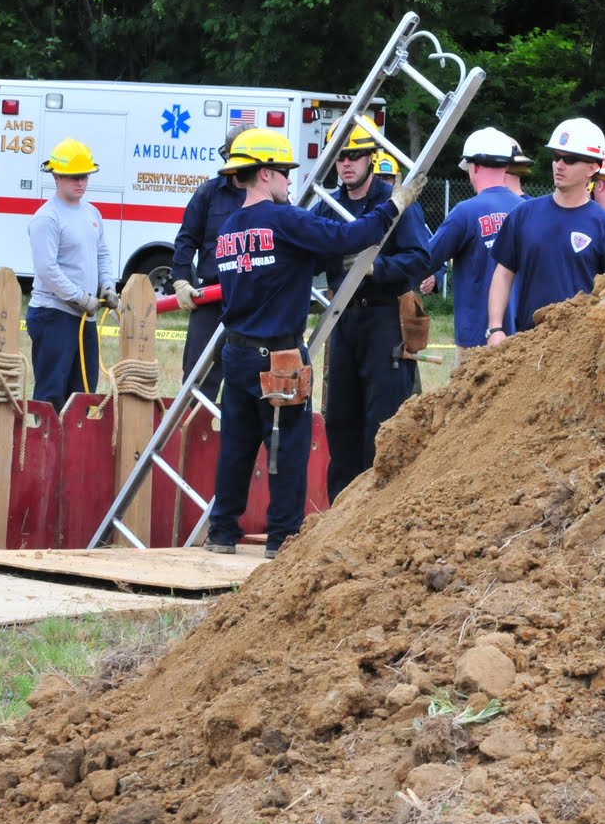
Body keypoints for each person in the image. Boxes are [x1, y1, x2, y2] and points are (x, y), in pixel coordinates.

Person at [204, 129, 423, 558]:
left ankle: (222, 533)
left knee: (236, 445)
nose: (290, 183)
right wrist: (393, 206)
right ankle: (281, 540)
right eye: (285, 174)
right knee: (286, 448)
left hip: (236, 352)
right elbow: (347, 238)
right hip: (279, 356)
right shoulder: (286, 220)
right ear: (265, 174)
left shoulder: (229, 230)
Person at [312, 118, 430, 502]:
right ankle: (340, 507)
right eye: (340, 157)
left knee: (382, 419)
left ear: (371, 158)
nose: (346, 164)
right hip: (343, 319)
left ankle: (376, 507)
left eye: (355, 155)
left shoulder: (394, 204)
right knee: (340, 417)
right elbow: (307, 254)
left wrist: (379, 268)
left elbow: (419, 257)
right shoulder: (328, 206)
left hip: (384, 318)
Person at [487, 118, 605, 346]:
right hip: (527, 343)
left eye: (570, 159)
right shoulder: (523, 214)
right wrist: (495, 328)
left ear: (593, 168)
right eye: (556, 157)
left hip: (578, 350)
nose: (559, 165)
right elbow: (503, 274)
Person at [415, 127, 523, 363]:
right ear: (506, 167)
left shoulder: (466, 212)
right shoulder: (527, 210)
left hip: (475, 338)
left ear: (474, 167)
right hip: (521, 338)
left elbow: (425, 260)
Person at [26, 137, 118, 412]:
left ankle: (73, 451)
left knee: (84, 391)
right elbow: (47, 270)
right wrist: (80, 298)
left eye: (85, 176)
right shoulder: (47, 218)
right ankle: (47, 452)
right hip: (53, 314)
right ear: (56, 176)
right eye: (74, 177)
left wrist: (107, 285)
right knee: (52, 392)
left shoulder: (92, 213)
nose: (81, 182)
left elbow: (102, 253)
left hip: (82, 316)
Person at [169, 134, 244, 401]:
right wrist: (180, 279)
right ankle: (191, 433)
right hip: (210, 296)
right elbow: (187, 237)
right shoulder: (208, 193)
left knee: (247, 374)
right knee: (197, 375)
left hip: (250, 298)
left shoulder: (269, 196)